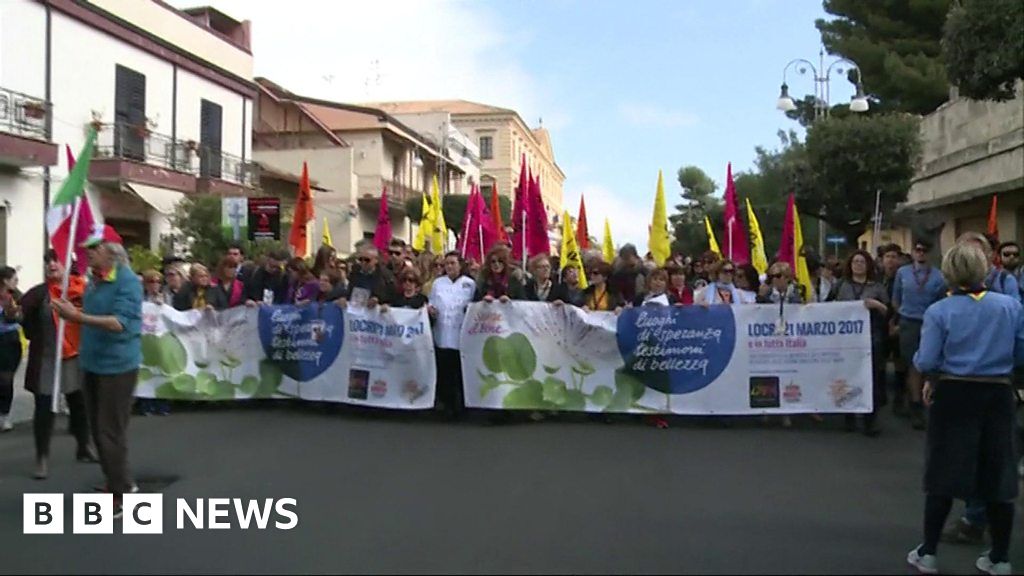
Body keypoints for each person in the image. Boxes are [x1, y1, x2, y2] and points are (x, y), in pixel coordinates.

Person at [905, 242, 1020, 576]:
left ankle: (928, 552)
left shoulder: (939, 311)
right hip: (997, 393)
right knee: (998, 473)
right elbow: (1021, 348)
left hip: (954, 393)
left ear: (950, 273)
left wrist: (931, 374)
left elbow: (926, 359)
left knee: (943, 472)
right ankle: (999, 557)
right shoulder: (1009, 306)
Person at [52, 227, 142, 516]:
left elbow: (121, 323)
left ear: (112, 252)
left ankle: (123, 492)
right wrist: (72, 308)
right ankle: (115, 482)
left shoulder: (127, 282)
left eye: (94, 247)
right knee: (97, 428)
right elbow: (88, 315)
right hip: (91, 363)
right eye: (87, 247)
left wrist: (77, 317)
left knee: (109, 431)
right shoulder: (93, 280)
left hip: (117, 366)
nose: (88, 252)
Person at [21, 251, 97, 478]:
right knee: (44, 408)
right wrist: (15, 313)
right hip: (47, 358)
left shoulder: (82, 289)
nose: (52, 264)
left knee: (79, 404)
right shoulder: (38, 294)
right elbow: (22, 316)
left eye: (56, 259)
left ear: (68, 264)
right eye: (48, 261)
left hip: (75, 356)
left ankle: (84, 446)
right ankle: (41, 458)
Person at [830, 250, 890, 436]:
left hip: (871, 339)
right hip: (846, 341)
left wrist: (877, 305)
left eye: (862, 262)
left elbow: (889, 313)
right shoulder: (841, 285)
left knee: (870, 379)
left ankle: (869, 420)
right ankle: (848, 417)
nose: (858, 265)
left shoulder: (877, 287)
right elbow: (828, 306)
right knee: (847, 376)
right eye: (855, 262)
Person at [893, 239, 947, 430]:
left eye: (925, 250)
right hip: (909, 323)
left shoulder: (940, 277)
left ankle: (927, 402)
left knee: (929, 364)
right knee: (912, 365)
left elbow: (942, 303)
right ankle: (915, 406)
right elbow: (896, 299)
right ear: (913, 252)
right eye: (918, 250)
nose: (921, 253)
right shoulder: (903, 273)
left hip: (930, 323)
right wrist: (901, 318)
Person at [428, 251, 476, 420]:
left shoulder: (469, 284)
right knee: (445, 372)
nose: (449, 267)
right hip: (442, 333)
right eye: (446, 264)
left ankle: (462, 406)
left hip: (461, 334)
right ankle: (447, 406)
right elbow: (432, 303)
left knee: (460, 373)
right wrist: (431, 310)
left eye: (452, 263)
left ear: (460, 265)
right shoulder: (438, 283)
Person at [879, 244, 908, 418]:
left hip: (899, 323)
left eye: (894, 257)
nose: (891, 260)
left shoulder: (904, 277)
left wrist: (897, 323)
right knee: (881, 360)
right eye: (887, 256)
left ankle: (899, 397)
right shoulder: (877, 278)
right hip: (880, 324)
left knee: (900, 361)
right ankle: (881, 395)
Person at [958, 232, 1021, 303]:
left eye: (976, 252)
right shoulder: (955, 279)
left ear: (991, 254)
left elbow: (1015, 310)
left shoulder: (1005, 279)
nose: (971, 256)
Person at [0, 266, 22, 432]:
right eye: (14, 279)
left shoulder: (17, 297)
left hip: (10, 341)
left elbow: (19, 317)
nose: (17, 282)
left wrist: (14, 313)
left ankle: (4, 415)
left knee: (6, 380)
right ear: (5, 281)